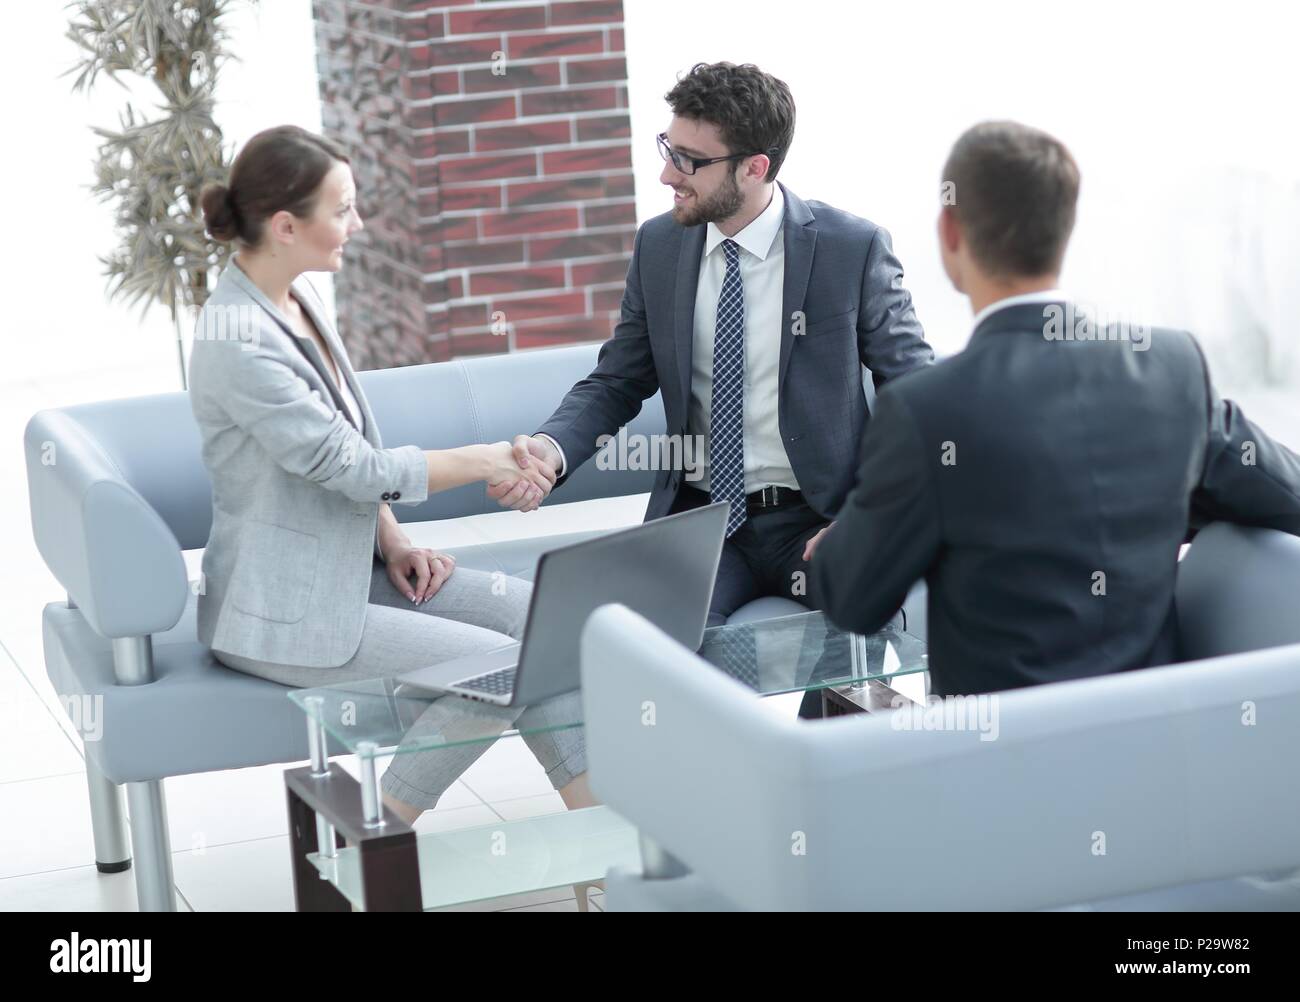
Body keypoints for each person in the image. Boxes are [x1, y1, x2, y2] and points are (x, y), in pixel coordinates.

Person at [493, 62, 933, 716]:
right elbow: (618, 379)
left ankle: (822, 791)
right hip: (702, 522)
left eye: (690, 161)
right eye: (667, 150)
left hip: (818, 520)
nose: (668, 174)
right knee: (658, 674)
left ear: (754, 169)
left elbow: (915, 394)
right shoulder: (661, 248)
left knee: (854, 680)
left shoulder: (851, 249)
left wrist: (869, 516)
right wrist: (553, 452)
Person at [809, 120, 1300, 697]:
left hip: (995, 759)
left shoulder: (927, 410)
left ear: (950, 231)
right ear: (1065, 228)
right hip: (1158, 747)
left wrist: (833, 552)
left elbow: (854, 602)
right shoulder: (1172, 369)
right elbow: (1286, 493)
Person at [189, 125, 593, 824]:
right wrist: (489, 459)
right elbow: (350, 465)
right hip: (283, 609)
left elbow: (337, 453)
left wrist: (395, 538)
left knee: (545, 624)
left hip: (355, 567)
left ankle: (610, 842)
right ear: (286, 225)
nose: (359, 223)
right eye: (342, 209)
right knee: (501, 665)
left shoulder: (293, 298)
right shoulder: (237, 340)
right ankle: (374, 837)